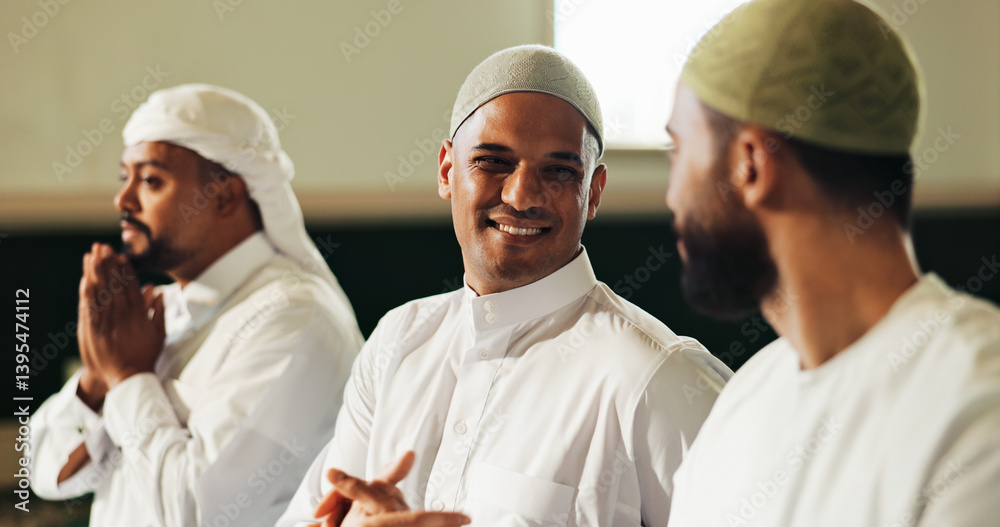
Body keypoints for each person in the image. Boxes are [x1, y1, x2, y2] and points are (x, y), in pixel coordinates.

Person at [277, 45, 732, 527]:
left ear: (593, 192)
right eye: (494, 162)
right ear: (447, 171)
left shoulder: (656, 377)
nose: (521, 197)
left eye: (558, 171)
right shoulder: (399, 341)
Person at [662, 0, 1000, 525]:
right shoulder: (742, 403)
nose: (672, 196)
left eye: (678, 151)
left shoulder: (978, 403)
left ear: (749, 164)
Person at [30, 84, 365, 527]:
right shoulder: (157, 317)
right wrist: (98, 377)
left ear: (224, 196)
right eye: (123, 178)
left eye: (150, 180)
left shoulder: (293, 318)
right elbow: (42, 474)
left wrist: (130, 378)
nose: (123, 200)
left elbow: (200, 513)